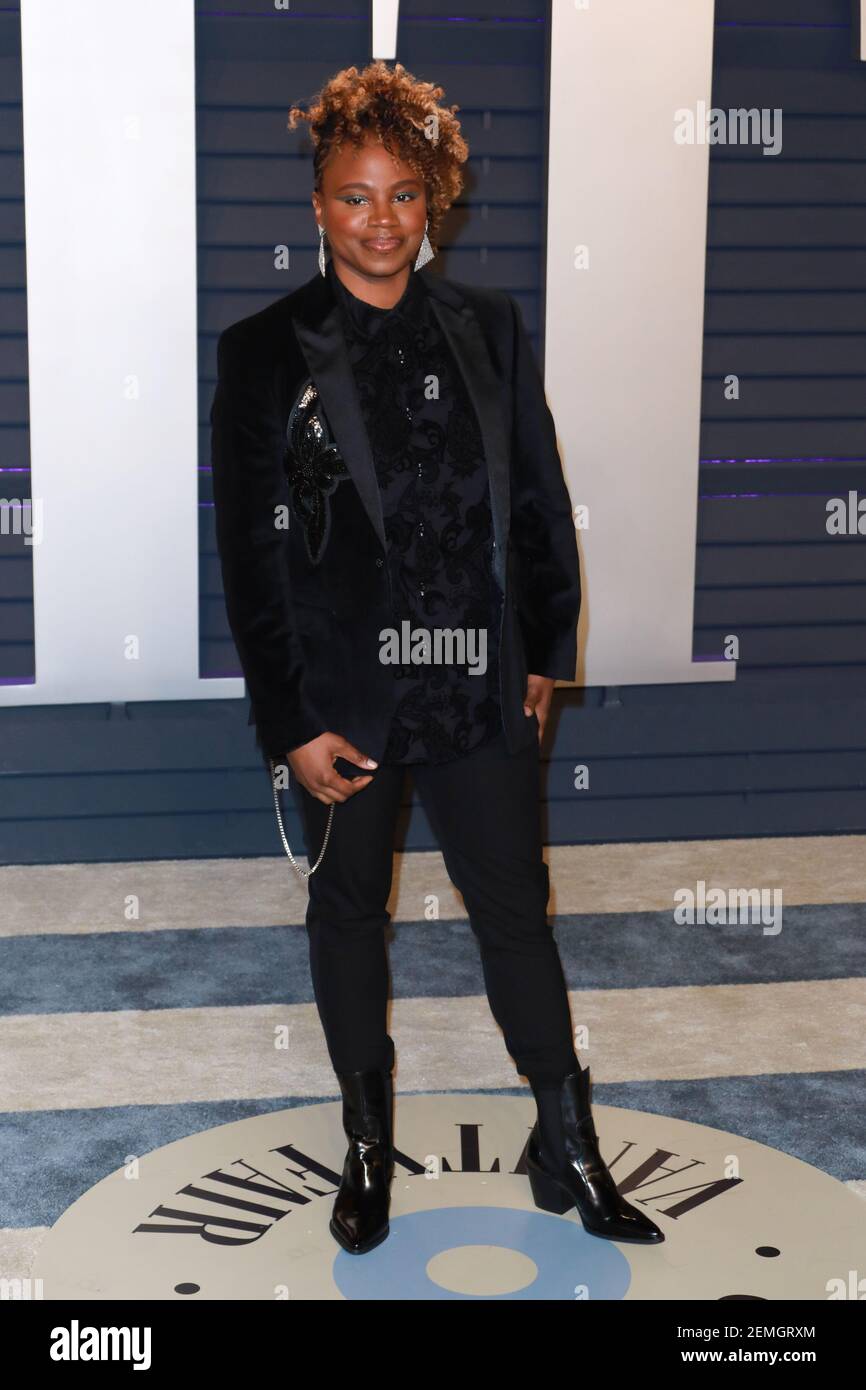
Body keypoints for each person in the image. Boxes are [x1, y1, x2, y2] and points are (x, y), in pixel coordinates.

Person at [210, 60, 663, 1254]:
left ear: (434, 204)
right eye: (354, 197)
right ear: (316, 204)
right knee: (350, 913)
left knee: (517, 913)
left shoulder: (490, 326)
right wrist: (286, 722)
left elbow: (537, 499)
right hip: (343, 699)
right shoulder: (264, 353)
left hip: (474, 682)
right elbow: (249, 561)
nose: (379, 221)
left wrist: (540, 652)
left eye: (402, 196)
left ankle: (563, 1140)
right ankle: (365, 1147)